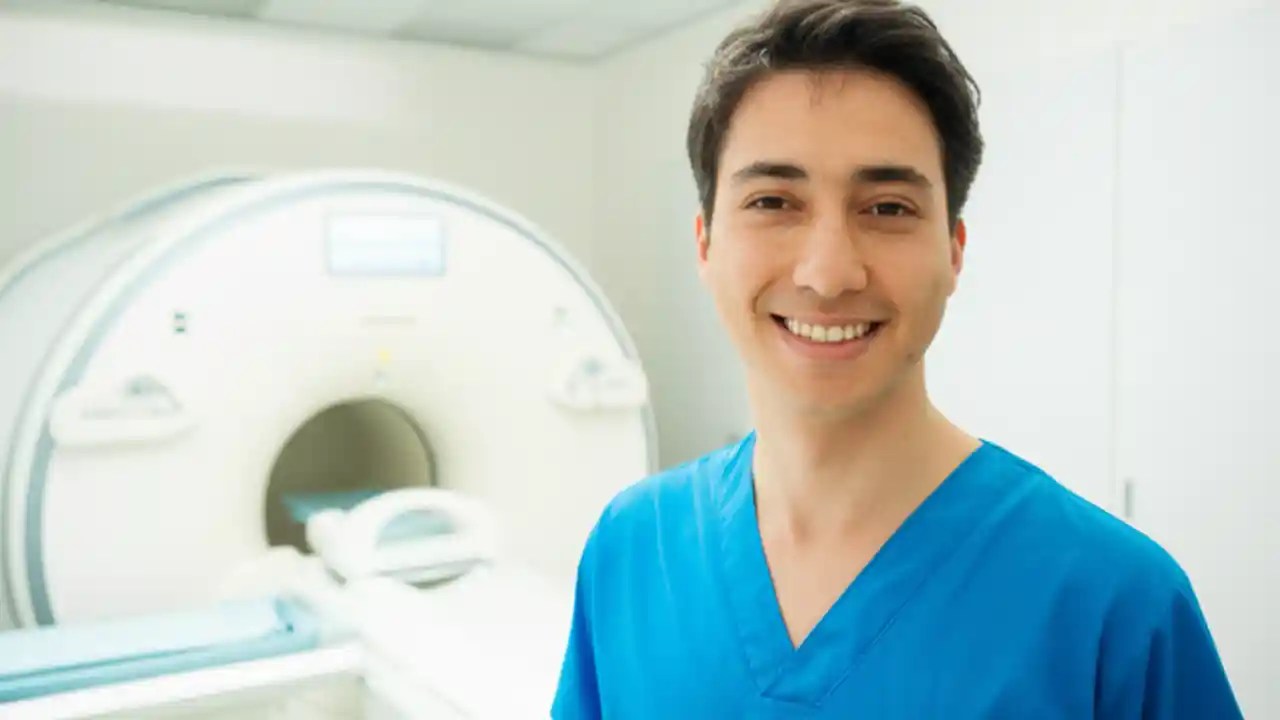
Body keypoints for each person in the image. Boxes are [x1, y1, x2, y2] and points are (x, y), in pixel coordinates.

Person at [552, 0, 1242, 717]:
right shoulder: (630, 555)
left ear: (954, 250)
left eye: (886, 208)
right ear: (704, 243)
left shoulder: (1115, 606)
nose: (827, 273)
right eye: (772, 201)